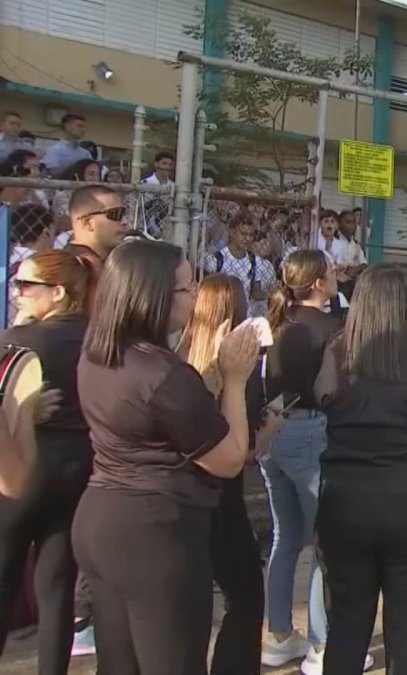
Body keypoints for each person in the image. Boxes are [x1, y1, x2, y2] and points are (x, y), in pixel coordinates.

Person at [73, 240, 259, 674]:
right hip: (154, 535)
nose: (195, 295)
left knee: (118, 663)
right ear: (152, 294)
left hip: (102, 521)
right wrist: (234, 381)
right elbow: (229, 459)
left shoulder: (98, 352)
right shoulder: (164, 374)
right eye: (185, 287)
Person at [313, 264, 407, 674]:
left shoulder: (338, 353)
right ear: (399, 309)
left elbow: (324, 400)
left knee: (346, 627)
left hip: (345, 506)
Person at [0, 250, 97, 674]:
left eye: (26, 285)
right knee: (56, 588)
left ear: (57, 293)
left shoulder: (21, 342)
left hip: (23, 471)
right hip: (77, 470)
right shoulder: (98, 336)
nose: (17, 292)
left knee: (4, 579)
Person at [261, 249, 353, 672]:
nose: (338, 275)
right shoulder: (330, 327)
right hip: (311, 432)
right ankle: (321, 645)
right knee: (326, 543)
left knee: (287, 536)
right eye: (332, 272)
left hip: (275, 430)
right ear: (317, 282)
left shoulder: (280, 323)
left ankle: (280, 634)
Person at [176, 273, 272, 674]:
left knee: (188, 608)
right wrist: (269, 428)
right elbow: (242, 453)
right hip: (221, 500)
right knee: (247, 596)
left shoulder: (177, 362)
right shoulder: (238, 371)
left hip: (182, 503)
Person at [64, 185, 127, 265]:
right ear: (87, 222)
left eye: (124, 213)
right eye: (116, 214)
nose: (125, 221)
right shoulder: (73, 268)